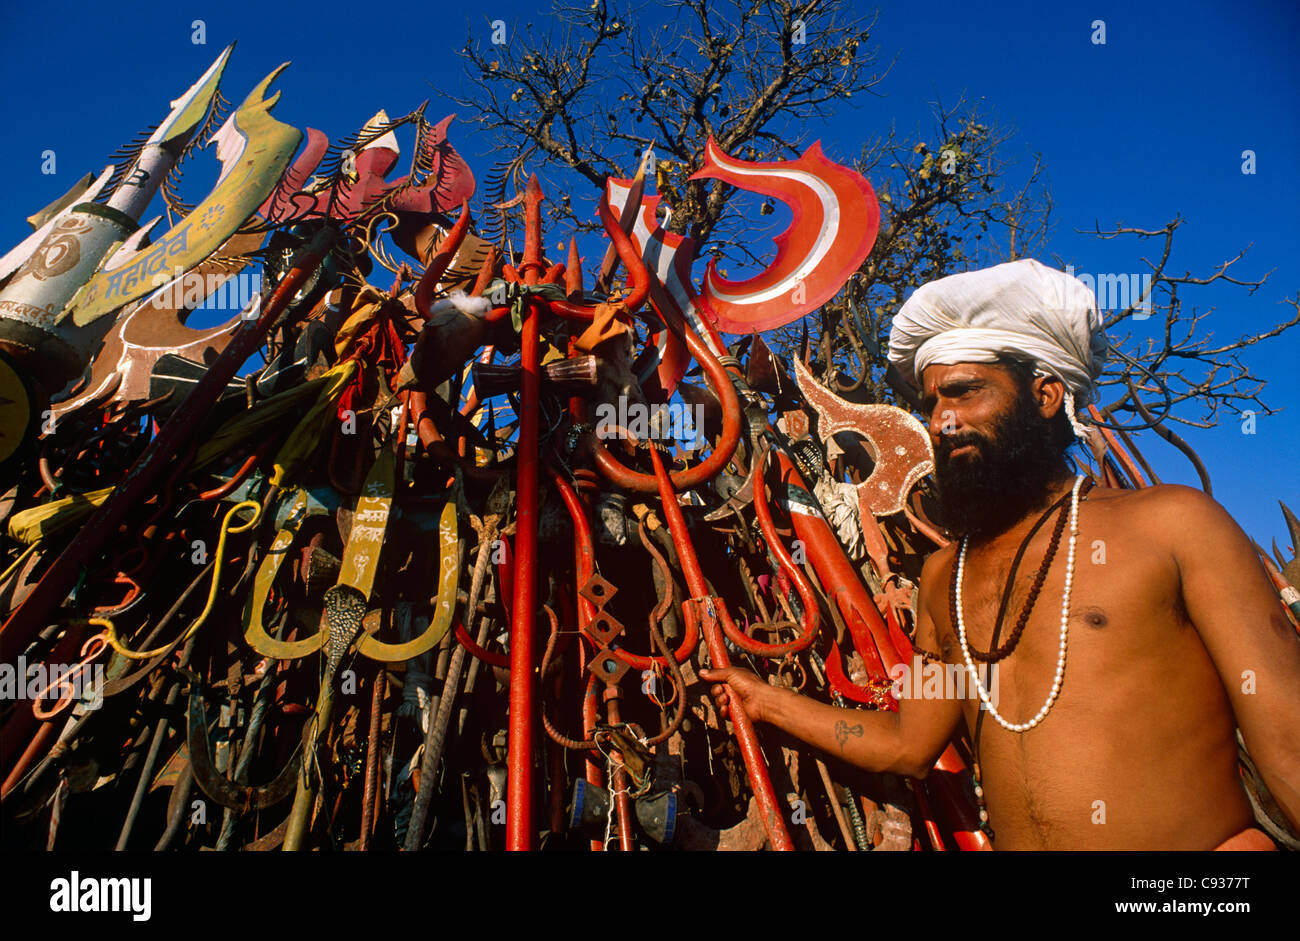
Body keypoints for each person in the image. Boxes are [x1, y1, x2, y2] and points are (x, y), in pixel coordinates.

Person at [701, 259, 1300, 850]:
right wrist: (769, 702)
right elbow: (908, 745)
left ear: (1045, 395)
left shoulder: (1173, 525)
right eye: (932, 403)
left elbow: (1289, 749)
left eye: (964, 393)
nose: (941, 421)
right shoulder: (945, 578)